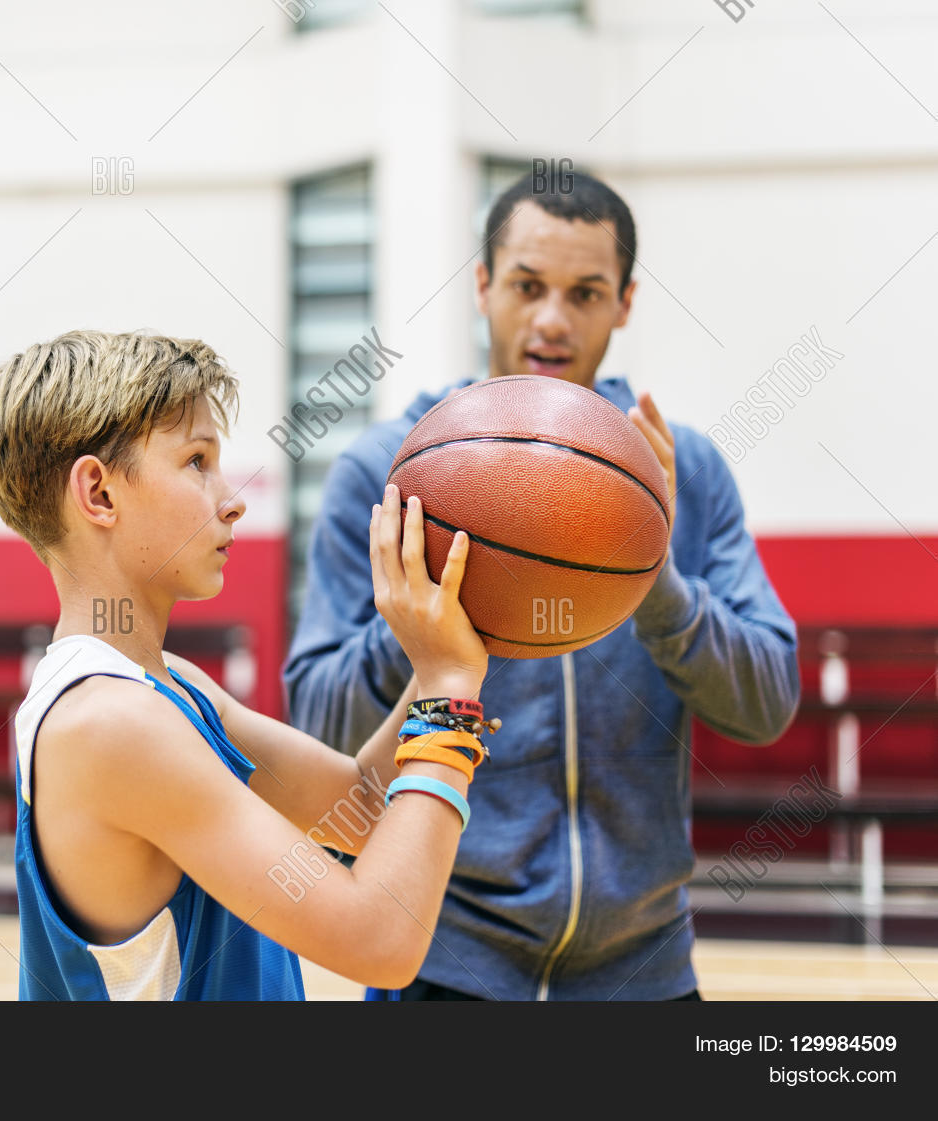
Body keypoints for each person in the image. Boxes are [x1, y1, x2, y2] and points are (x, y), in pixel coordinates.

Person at [283, 171, 801, 1001]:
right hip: (443, 963)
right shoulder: (388, 472)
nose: (553, 320)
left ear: (625, 302)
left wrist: (656, 580)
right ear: (483, 287)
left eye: (585, 292)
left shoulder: (683, 472)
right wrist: (419, 617)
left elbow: (767, 702)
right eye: (528, 286)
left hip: (644, 969)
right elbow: (318, 725)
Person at [0, 329, 493, 1000]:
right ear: (98, 493)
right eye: (197, 461)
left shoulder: (170, 685)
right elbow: (380, 942)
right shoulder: (112, 724)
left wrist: (447, 648)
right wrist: (447, 694)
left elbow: (360, 804)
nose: (232, 498)